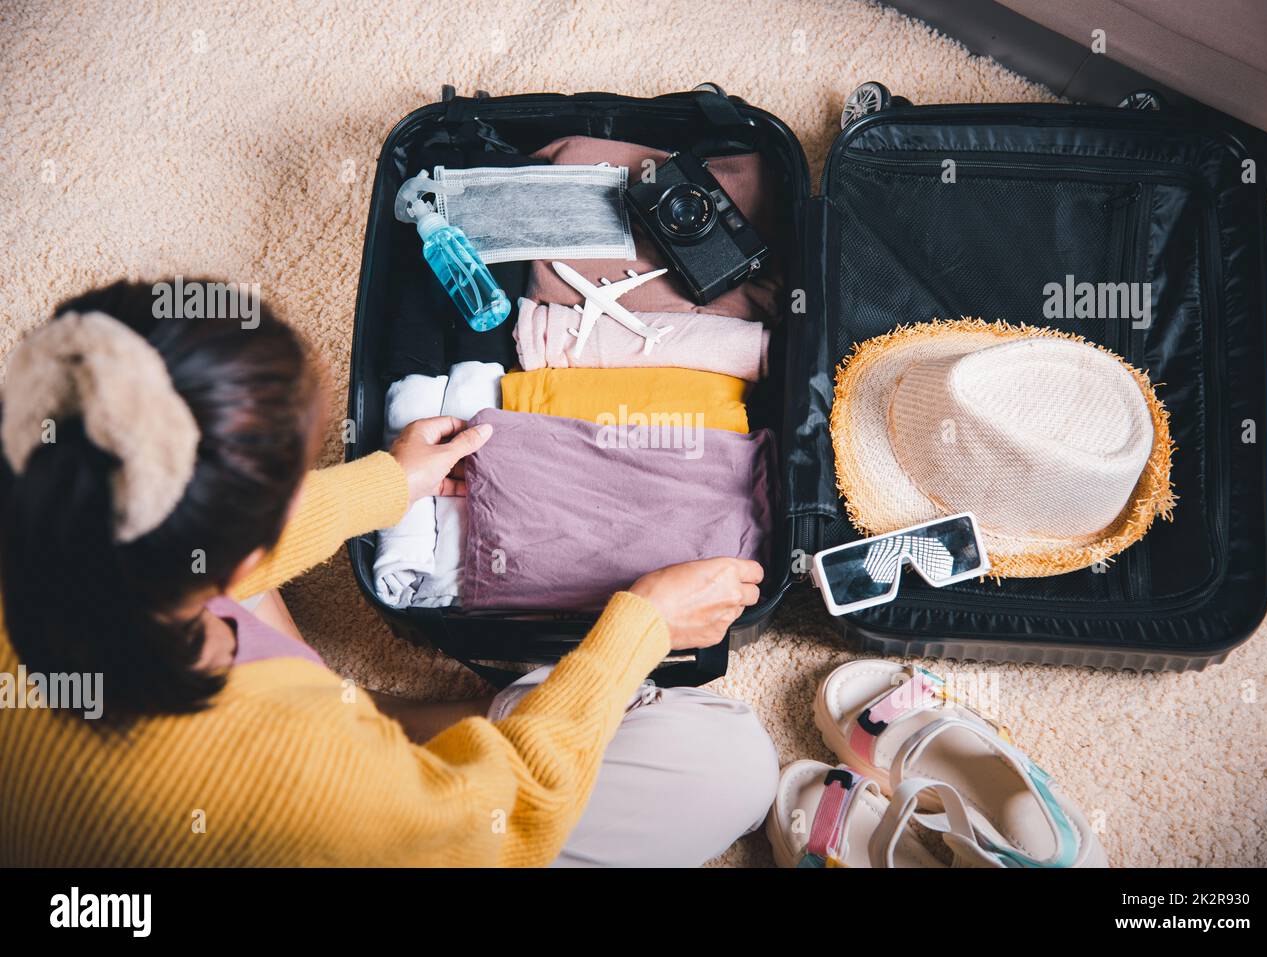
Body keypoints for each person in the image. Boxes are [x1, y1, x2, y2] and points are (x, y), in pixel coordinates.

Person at [0, 281, 778, 867]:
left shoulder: (42, 487)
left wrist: (387, 484)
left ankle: (399, 711)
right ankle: (432, 722)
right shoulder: (307, 771)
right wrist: (639, 626)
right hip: (309, 811)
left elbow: (168, 530)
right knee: (734, 765)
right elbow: (495, 825)